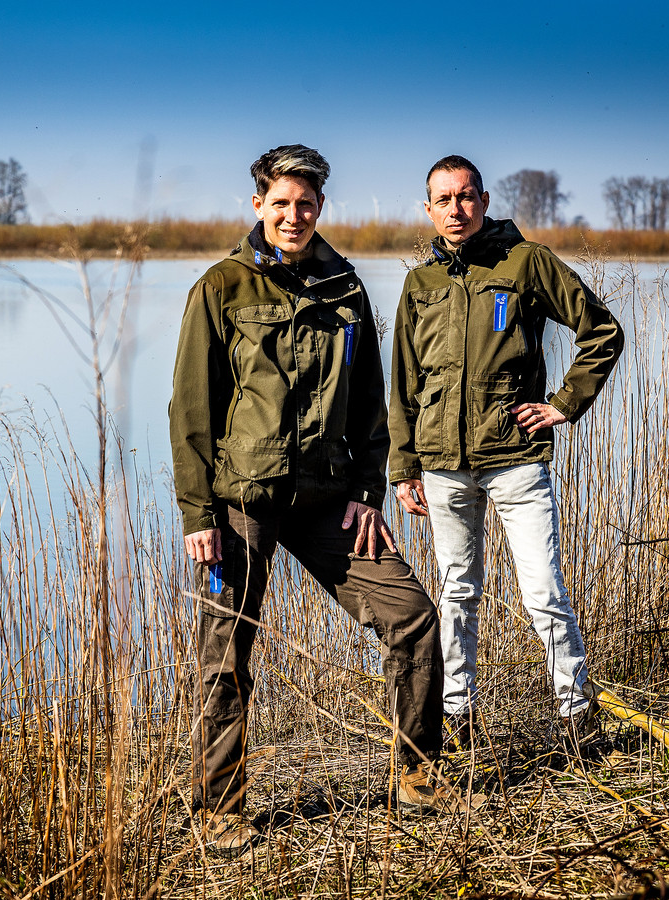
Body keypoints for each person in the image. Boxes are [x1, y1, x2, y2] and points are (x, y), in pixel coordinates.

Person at [169, 145, 467, 856]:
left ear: (319, 208)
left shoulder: (346, 289)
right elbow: (191, 410)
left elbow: (372, 405)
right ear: (257, 208)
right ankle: (219, 808)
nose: (293, 216)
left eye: (304, 204)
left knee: (413, 616)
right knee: (226, 654)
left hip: (329, 498)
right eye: (280, 204)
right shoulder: (221, 288)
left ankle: (417, 775)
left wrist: (370, 492)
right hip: (242, 499)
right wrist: (197, 515)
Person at [388, 155, 623, 755]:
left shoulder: (525, 262)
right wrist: (403, 468)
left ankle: (578, 718)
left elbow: (602, 331)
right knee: (457, 593)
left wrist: (563, 405)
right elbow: (403, 386)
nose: (456, 209)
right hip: (442, 465)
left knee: (542, 591)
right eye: (444, 199)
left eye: (466, 196)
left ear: (485, 200)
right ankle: (459, 721)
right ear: (429, 210)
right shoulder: (421, 285)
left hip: (516, 459)